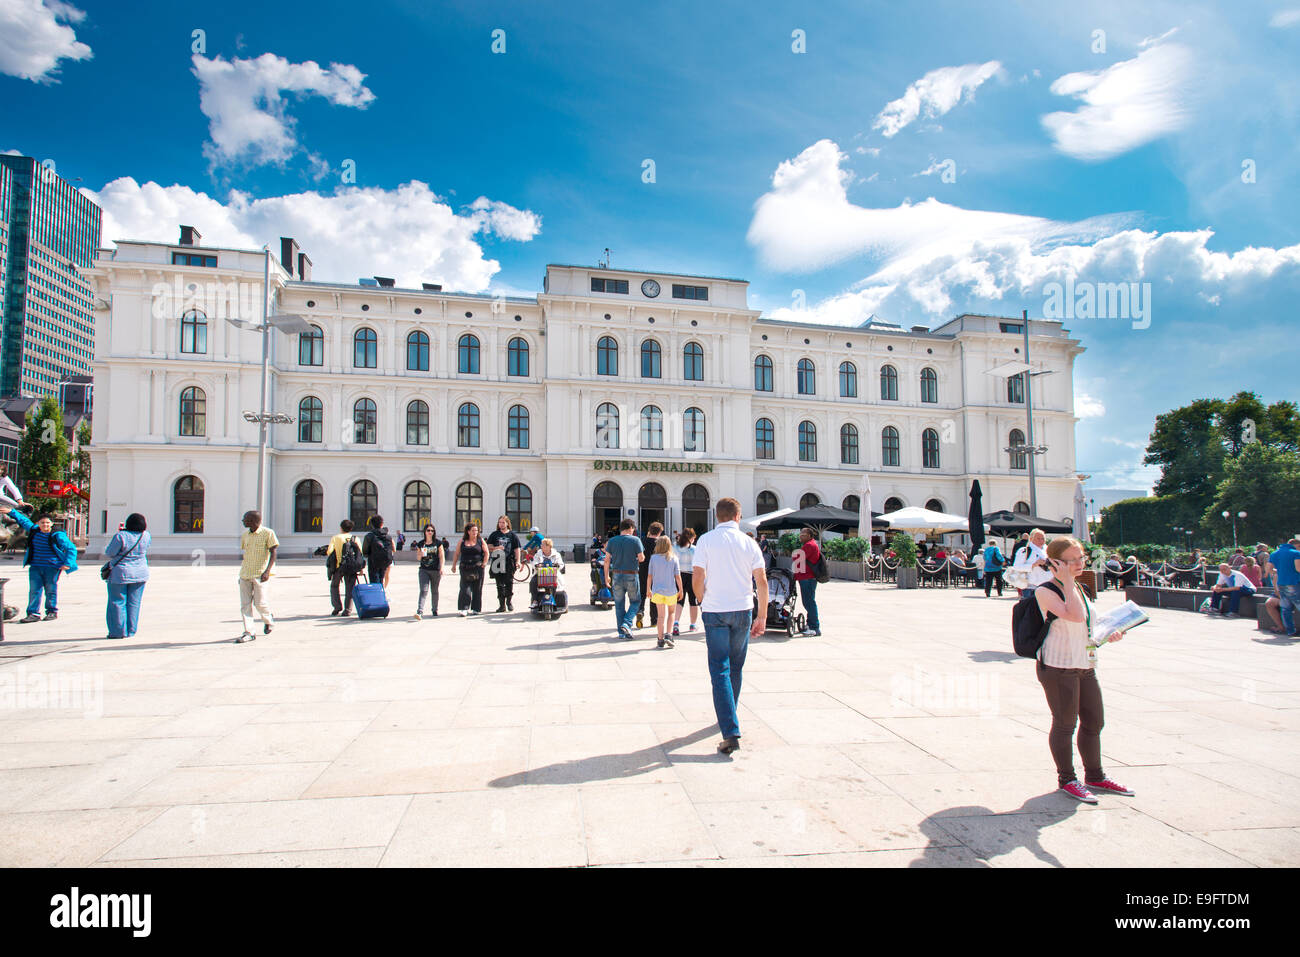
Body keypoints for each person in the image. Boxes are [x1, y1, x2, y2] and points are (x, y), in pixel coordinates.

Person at [1034, 535, 1131, 804]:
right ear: (1055, 563)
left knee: (1094, 721)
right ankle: (1067, 778)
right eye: (1072, 560)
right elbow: (1074, 615)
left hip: (1085, 664)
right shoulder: (1046, 591)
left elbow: (1087, 623)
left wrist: (1108, 633)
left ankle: (1095, 775)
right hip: (1058, 666)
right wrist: (1065, 580)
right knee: (1065, 724)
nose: (1079, 563)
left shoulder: (1080, 588)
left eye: (1081, 558)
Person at [693, 498, 768, 755]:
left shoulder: (705, 540)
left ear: (717, 516)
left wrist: (703, 599)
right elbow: (762, 581)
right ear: (738, 516)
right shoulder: (750, 543)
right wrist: (763, 616)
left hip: (715, 609)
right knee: (735, 666)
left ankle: (730, 729)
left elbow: (698, 576)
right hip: (743, 609)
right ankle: (729, 716)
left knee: (719, 669)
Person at [3, 508, 78, 622]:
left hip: (52, 567)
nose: (45, 525)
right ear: (38, 523)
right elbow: (23, 521)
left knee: (50, 589)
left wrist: (68, 563)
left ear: (52, 524)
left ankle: (52, 611)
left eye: (47, 523)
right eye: (42, 523)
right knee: (34, 590)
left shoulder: (57, 535)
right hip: (35, 566)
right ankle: (33, 614)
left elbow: (71, 548)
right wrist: (10, 511)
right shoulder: (34, 531)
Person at [102, 512, 150, 639]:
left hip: (121, 573)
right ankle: (131, 630)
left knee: (117, 602)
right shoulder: (146, 536)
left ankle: (117, 632)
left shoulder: (121, 536)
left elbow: (110, 552)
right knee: (134, 602)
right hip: (140, 573)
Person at [236, 509, 277, 643]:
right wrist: (241, 574)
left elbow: (273, 552)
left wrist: (267, 571)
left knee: (260, 603)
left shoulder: (268, 533)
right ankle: (249, 632)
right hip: (245, 574)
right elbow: (246, 554)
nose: (243, 521)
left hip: (260, 574)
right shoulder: (245, 535)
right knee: (245, 605)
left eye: (245, 519)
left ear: (253, 521)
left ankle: (268, 619)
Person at [602, 518, 644, 639]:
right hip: (631, 573)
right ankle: (627, 623)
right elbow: (641, 558)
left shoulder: (612, 541)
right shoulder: (636, 540)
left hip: (616, 574)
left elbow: (606, 561)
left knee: (619, 604)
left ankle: (622, 632)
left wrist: (606, 578)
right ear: (630, 528)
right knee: (636, 601)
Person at [648, 536, 683, 649]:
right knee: (672, 613)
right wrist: (681, 589)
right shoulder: (674, 558)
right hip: (671, 591)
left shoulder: (653, 558)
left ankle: (660, 639)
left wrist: (648, 589)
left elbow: (650, 576)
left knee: (660, 616)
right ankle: (669, 634)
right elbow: (677, 576)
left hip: (657, 591)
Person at [485, 515, 521, 612]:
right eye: (499, 522)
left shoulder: (512, 535)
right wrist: (497, 548)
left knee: (509, 582)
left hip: (509, 561)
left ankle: (509, 602)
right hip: (497, 561)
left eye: (503, 522)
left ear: (507, 523)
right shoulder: (494, 534)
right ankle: (501, 605)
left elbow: (517, 549)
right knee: (499, 584)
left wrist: (518, 561)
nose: (501, 524)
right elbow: (488, 546)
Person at [327, 519, 362, 617]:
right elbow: (360, 553)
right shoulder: (355, 538)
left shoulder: (335, 538)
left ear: (341, 527)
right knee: (350, 588)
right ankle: (347, 610)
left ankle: (337, 607)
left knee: (334, 586)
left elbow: (329, 551)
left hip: (339, 567)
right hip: (351, 567)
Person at [792, 526, 821, 637]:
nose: (801, 537)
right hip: (806, 577)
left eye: (803, 535)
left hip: (807, 578)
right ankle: (811, 625)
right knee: (808, 601)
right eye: (800, 534)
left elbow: (796, 557)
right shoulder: (810, 545)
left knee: (809, 602)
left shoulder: (809, 545)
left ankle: (814, 627)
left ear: (809, 536)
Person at [452, 523, 486, 616]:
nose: (475, 532)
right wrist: (454, 565)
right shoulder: (462, 541)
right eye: (473, 530)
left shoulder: (480, 541)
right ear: (468, 531)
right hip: (465, 567)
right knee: (465, 588)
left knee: (477, 588)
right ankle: (464, 608)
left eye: (476, 530)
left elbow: (486, 552)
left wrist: (484, 563)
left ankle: (476, 608)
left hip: (478, 568)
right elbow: (456, 553)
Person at [1269, 536, 1300, 637]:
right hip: (1294, 582)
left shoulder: (1275, 553)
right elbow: (1298, 568)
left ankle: (1291, 631)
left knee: (1285, 608)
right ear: (1297, 545)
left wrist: (1281, 572)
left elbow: (1269, 569)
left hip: (1281, 583)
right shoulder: (1296, 553)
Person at [636, 521, 664, 629]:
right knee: (654, 595)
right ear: (659, 532)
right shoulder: (660, 543)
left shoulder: (642, 541)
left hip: (643, 570)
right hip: (656, 572)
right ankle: (654, 620)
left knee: (642, 593)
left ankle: (640, 611)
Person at [674, 529, 700, 635]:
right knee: (693, 601)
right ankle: (693, 624)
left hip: (679, 575)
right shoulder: (694, 549)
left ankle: (676, 623)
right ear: (691, 538)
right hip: (692, 575)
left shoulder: (675, 547)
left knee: (679, 600)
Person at [529, 537, 567, 611]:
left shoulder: (556, 554)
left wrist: (557, 565)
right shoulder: (538, 554)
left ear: (548, 546)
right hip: (540, 574)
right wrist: (537, 565)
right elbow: (534, 563)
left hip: (553, 574)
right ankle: (535, 601)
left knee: (554, 583)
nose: (541, 546)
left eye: (543, 545)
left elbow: (561, 564)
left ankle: (553, 598)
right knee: (533, 582)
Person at [415, 523, 444, 619]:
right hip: (424, 570)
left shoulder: (438, 543)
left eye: (432, 530)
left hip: (435, 570)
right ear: (425, 532)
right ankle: (420, 611)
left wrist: (442, 567)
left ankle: (435, 609)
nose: (430, 532)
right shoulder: (421, 543)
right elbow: (418, 558)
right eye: (428, 530)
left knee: (435, 590)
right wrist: (421, 553)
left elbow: (441, 556)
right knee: (423, 590)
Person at [1012, 528, 1052, 593]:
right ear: (1031, 539)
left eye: (1043, 539)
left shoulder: (1048, 551)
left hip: (1048, 586)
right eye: (1038, 538)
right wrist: (1034, 565)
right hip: (1031, 587)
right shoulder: (1024, 550)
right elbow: (1016, 567)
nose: (1041, 541)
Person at [362, 516, 394, 588]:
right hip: (385, 561)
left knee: (374, 580)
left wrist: (366, 555)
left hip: (373, 561)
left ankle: (376, 596)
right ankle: (381, 593)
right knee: (381, 578)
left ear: (372, 525)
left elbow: (365, 550)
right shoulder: (388, 536)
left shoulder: (369, 536)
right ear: (382, 524)